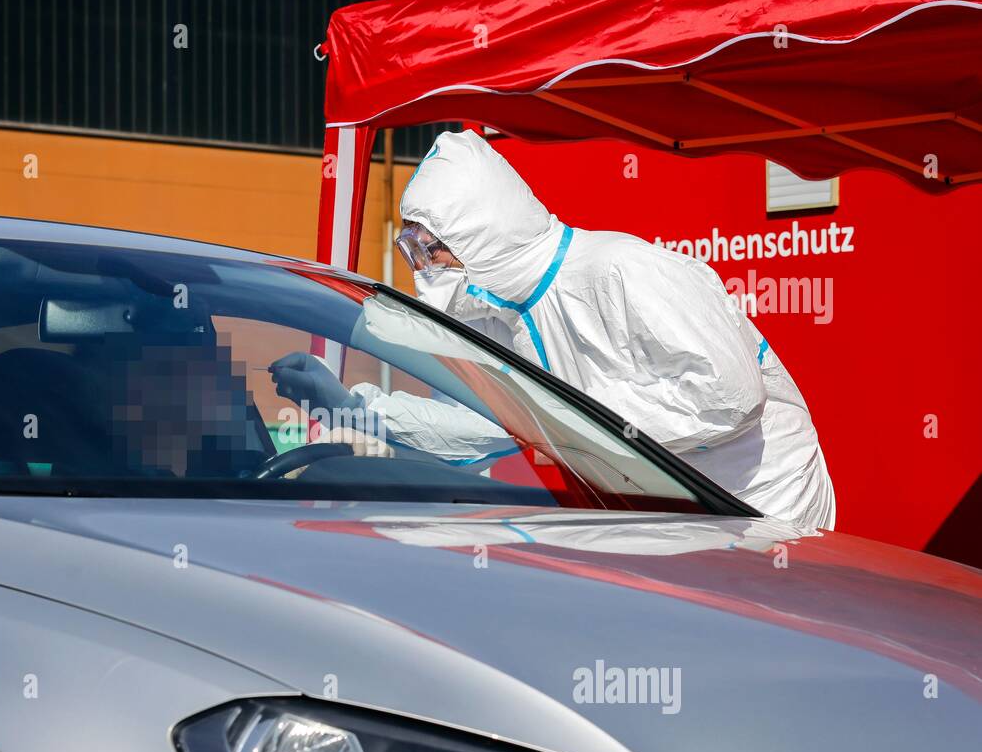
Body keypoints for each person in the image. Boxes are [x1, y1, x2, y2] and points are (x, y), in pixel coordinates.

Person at [334, 130, 835, 531]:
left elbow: (731, 394)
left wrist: (582, 420)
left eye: (431, 249)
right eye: (414, 250)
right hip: (682, 520)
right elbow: (500, 425)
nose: (424, 268)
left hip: (769, 507)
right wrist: (360, 409)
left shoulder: (619, 270)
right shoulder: (511, 316)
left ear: (480, 233)